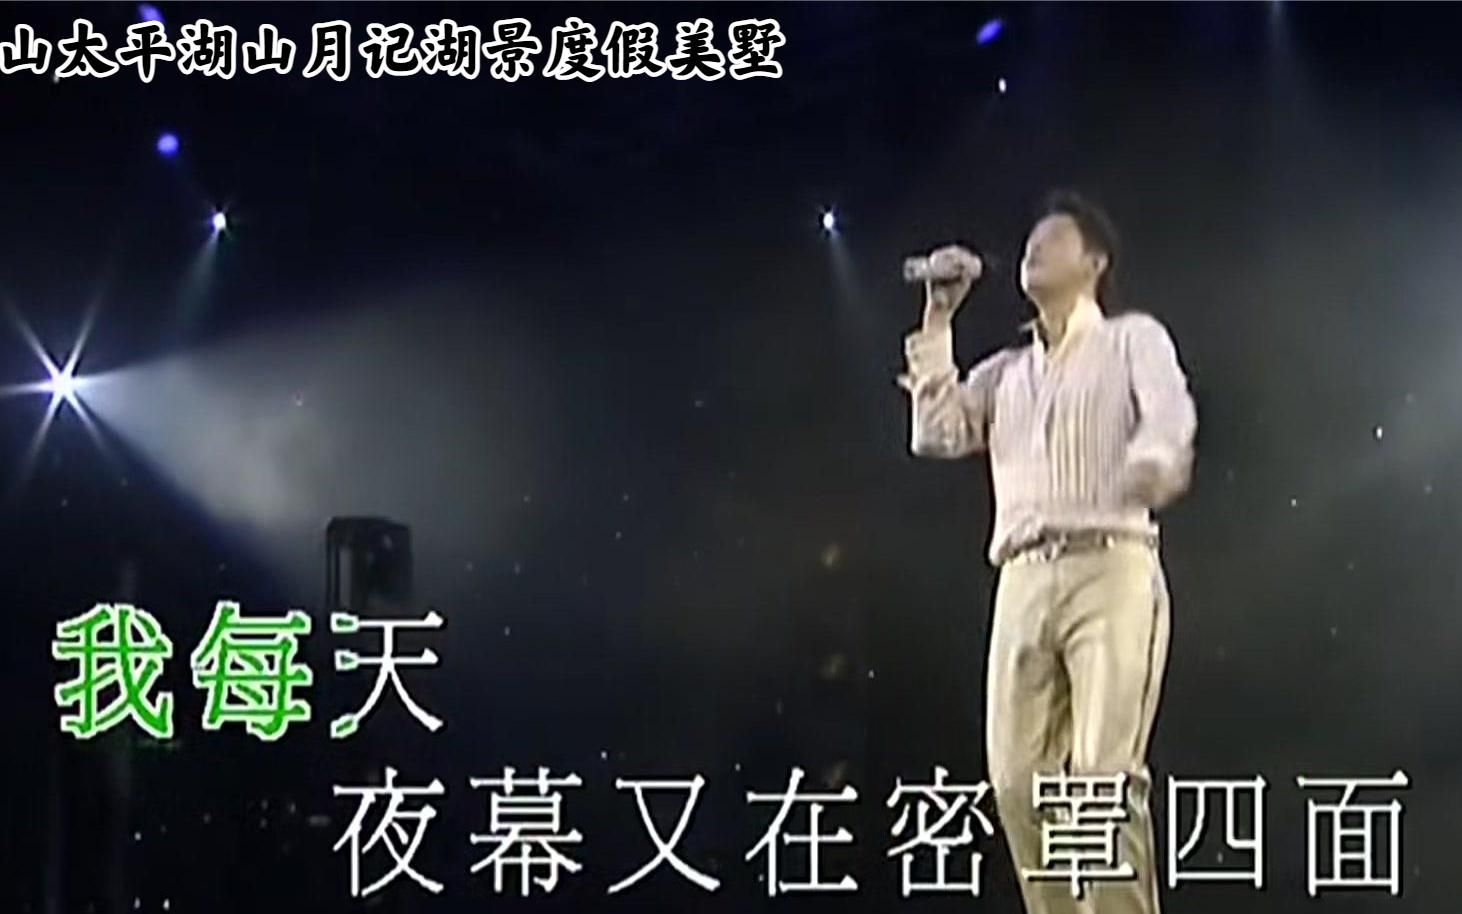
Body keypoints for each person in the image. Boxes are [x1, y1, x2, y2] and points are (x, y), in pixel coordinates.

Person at [897, 191, 1197, 914]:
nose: (1034, 248)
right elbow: (935, 433)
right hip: (1023, 576)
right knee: (1016, 781)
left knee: (1099, 780)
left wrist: (1154, 462)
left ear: (1095, 261)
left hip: (1109, 562)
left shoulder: (1130, 339)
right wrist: (939, 317)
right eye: (1029, 242)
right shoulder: (1006, 372)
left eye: (1053, 238)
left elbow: (1169, 412)